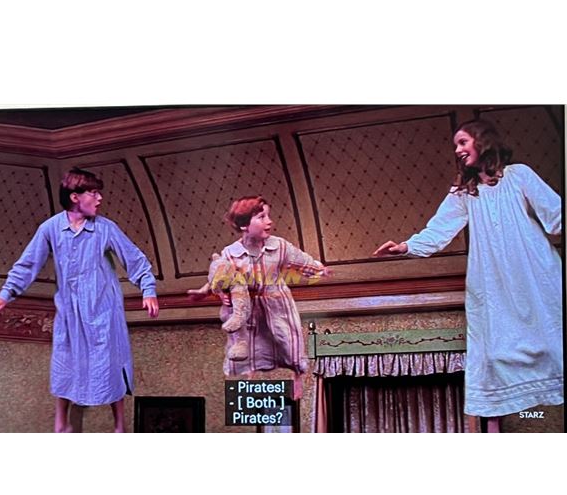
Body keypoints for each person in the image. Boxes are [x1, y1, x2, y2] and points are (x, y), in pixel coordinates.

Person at [373, 119, 563, 431]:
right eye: (455, 146)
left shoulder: (519, 175)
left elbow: (555, 214)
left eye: (463, 142)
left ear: (482, 140)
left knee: (552, 339)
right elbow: (439, 230)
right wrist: (406, 246)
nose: (458, 150)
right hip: (492, 281)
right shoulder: (465, 192)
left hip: (533, 273)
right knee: (492, 353)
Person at [0, 169, 159, 432]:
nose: (99, 198)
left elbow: (134, 259)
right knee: (65, 364)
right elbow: (27, 264)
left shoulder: (105, 228)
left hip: (103, 309)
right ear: (75, 197)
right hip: (69, 312)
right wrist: (4, 296)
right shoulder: (51, 229)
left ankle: (120, 427)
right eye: (93, 193)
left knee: (110, 362)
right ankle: (62, 425)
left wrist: (148, 289)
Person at [191, 196, 330, 400]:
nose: (269, 221)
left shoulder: (279, 246)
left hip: (276, 302)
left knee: (287, 340)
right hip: (247, 305)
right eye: (261, 217)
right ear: (244, 225)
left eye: (268, 216)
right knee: (250, 342)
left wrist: (318, 269)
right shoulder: (231, 253)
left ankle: (297, 374)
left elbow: (301, 260)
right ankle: (249, 377)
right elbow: (219, 276)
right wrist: (216, 293)